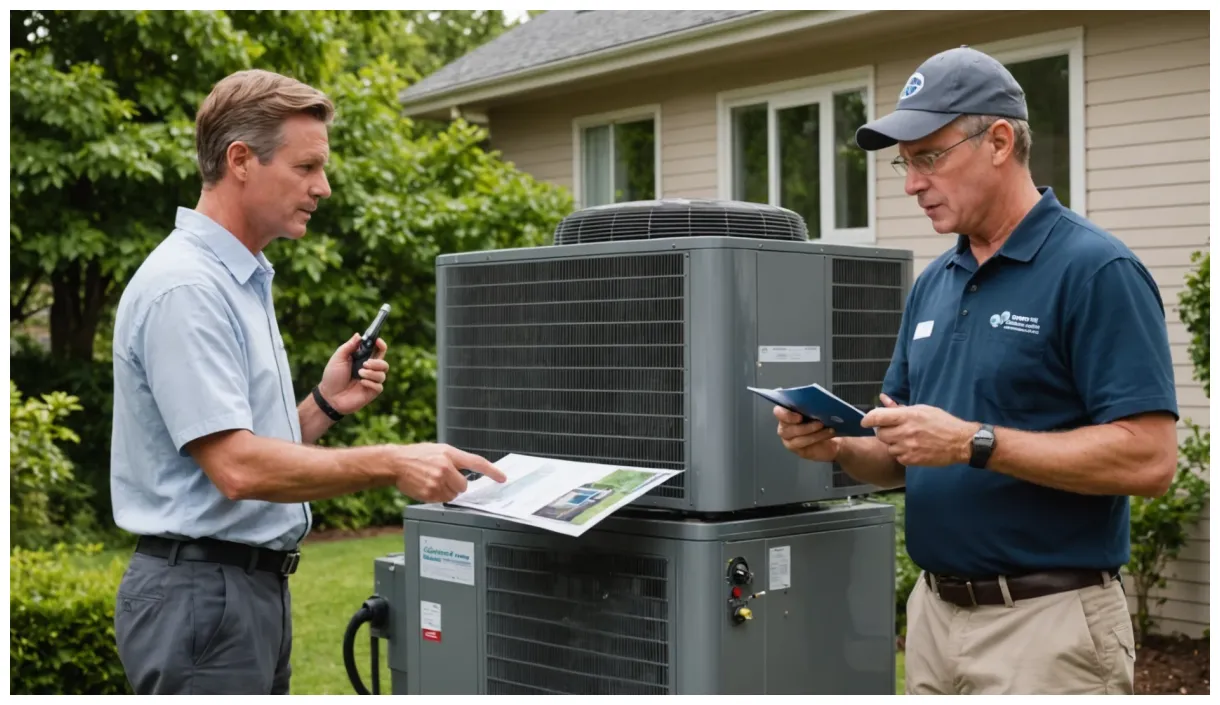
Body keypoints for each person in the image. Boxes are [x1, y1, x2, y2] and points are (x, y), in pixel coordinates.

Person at [773, 47, 1178, 695]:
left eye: (929, 157)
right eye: (905, 163)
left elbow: (1150, 459)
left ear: (998, 142)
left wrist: (972, 442)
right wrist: (837, 447)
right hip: (933, 621)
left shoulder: (1096, 270)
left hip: (1046, 629)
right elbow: (903, 456)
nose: (912, 183)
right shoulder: (935, 283)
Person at [109, 68, 505, 695]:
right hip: (205, 597)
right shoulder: (188, 288)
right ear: (241, 160)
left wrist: (324, 405)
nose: (323, 186)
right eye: (306, 167)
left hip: (238, 592)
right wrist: (393, 462)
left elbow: (235, 450)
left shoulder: (239, 278)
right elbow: (236, 469)